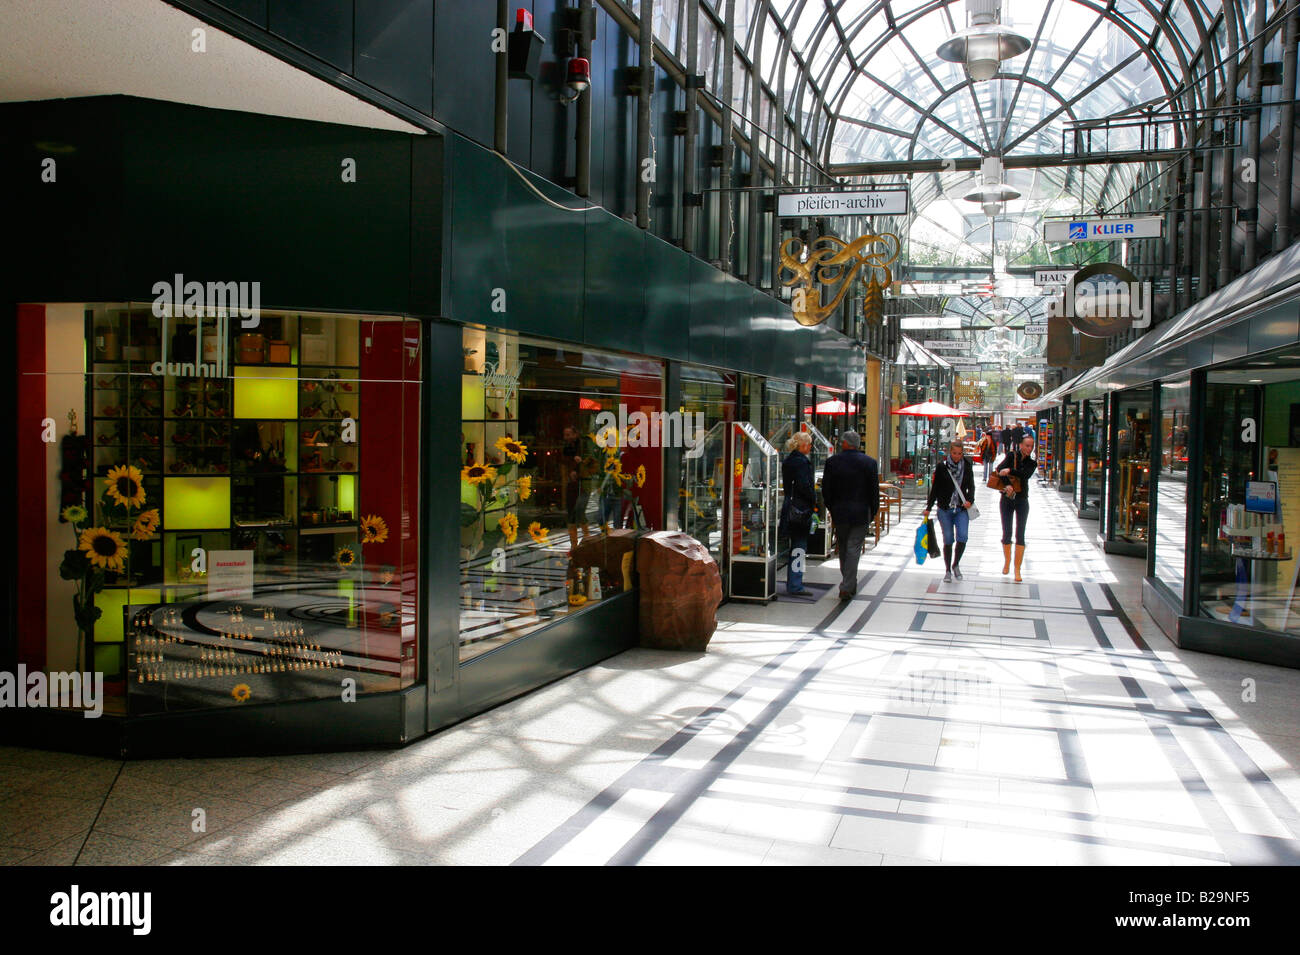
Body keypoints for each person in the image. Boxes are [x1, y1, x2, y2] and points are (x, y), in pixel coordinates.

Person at [820, 430, 880, 600]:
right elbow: (873, 491)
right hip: (861, 513)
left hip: (840, 512)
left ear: (846, 443)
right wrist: (872, 511)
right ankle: (848, 585)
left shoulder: (832, 462)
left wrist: (831, 507)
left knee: (844, 547)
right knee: (853, 549)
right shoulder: (869, 463)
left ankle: (847, 585)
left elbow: (826, 489)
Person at [923, 439, 976, 583]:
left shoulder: (967, 466)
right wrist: (929, 507)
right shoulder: (942, 467)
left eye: (959, 453)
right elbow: (935, 488)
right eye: (954, 453)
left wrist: (970, 499)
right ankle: (947, 569)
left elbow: (971, 485)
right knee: (948, 539)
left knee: (963, 536)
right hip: (945, 508)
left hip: (961, 508)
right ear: (949, 452)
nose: (957, 456)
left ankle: (956, 564)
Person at [994, 434, 1038, 582]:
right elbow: (1000, 470)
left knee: (1021, 533)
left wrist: (1010, 471)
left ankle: (1017, 569)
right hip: (1007, 498)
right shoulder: (1011, 455)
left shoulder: (1032, 463)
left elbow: (1025, 475)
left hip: (1022, 500)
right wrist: (1007, 485)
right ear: (1020, 445)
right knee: (1007, 531)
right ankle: (1007, 561)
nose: (1029, 448)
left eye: (1031, 446)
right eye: (1027, 445)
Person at [780, 433, 816, 597]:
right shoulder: (802, 463)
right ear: (802, 445)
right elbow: (804, 486)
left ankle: (794, 583)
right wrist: (813, 500)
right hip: (800, 508)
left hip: (790, 506)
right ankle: (795, 584)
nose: (810, 448)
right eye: (808, 444)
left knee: (794, 544)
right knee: (799, 546)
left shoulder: (788, 461)